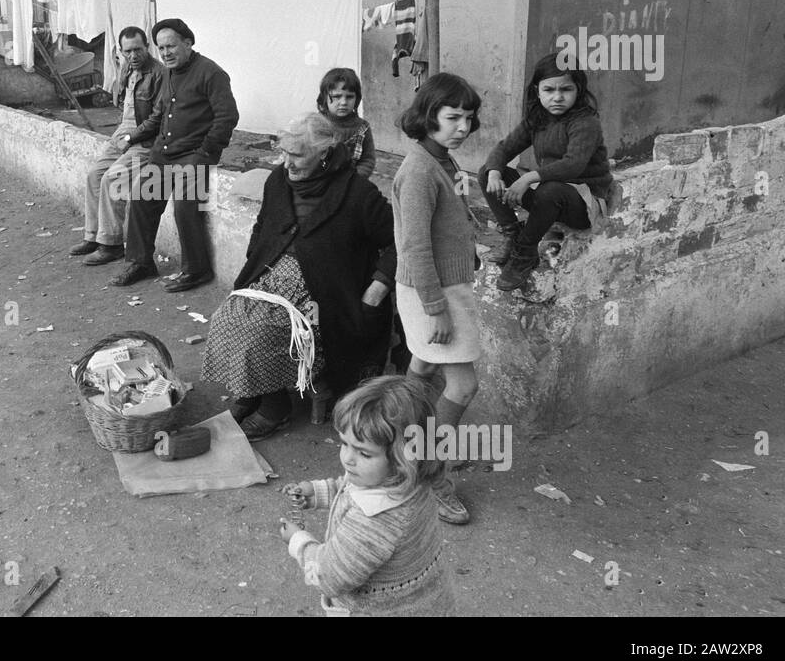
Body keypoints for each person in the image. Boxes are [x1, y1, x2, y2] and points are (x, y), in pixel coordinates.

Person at [201, 113, 397, 440]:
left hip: (325, 290)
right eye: (285, 153)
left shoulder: (358, 193)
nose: (286, 163)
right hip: (272, 276)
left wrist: (376, 289)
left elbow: (397, 241)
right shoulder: (279, 180)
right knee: (228, 316)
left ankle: (275, 408)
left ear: (324, 153)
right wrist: (255, 268)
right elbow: (263, 226)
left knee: (261, 330)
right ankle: (254, 391)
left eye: (297, 155)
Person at [278, 376, 455, 617]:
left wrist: (298, 542)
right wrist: (318, 493)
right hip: (424, 599)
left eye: (364, 453)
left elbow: (328, 576)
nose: (348, 458)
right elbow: (353, 490)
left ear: (404, 457)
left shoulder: (375, 521)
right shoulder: (409, 481)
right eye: (344, 443)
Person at [391, 73, 483, 524]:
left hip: (442, 286)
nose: (462, 126)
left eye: (468, 118)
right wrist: (435, 309)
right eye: (452, 118)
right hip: (433, 292)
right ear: (427, 118)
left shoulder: (441, 161)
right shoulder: (419, 171)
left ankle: (402, 446)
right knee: (463, 386)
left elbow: (447, 224)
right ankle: (432, 473)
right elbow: (414, 247)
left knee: (424, 368)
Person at [108, 18, 239, 293]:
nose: (166, 53)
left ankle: (197, 270)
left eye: (171, 46)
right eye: (161, 48)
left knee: (185, 207)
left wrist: (205, 153)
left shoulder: (211, 73)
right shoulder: (167, 73)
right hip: (165, 154)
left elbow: (227, 117)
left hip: (194, 156)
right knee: (141, 198)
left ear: (188, 43)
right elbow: (159, 114)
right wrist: (134, 137)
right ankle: (140, 263)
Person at [479, 52, 612, 291]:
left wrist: (528, 178)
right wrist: (494, 173)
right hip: (547, 201)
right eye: (549, 90)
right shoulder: (537, 119)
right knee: (486, 172)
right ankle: (512, 234)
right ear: (537, 91)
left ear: (578, 90)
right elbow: (504, 148)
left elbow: (573, 164)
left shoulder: (585, 122)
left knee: (550, 189)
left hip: (582, 205)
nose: (557, 97)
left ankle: (525, 252)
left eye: (566, 90)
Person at [68, 27, 165, 265]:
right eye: (128, 51)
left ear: (147, 48)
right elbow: (125, 106)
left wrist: (131, 138)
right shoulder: (127, 69)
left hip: (146, 139)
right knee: (94, 175)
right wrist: (122, 135)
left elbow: (157, 118)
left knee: (113, 179)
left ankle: (111, 245)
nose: (133, 55)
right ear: (121, 52)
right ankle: (93, 235)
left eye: (138, 50)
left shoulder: (160, 74)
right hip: (124, 131)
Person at [316, 67, 377, 178]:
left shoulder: (363, 129)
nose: (343, 102)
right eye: (337, 97)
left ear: (357, 99)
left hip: (351, 183)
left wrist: (351, 180)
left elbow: (367, 160)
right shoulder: (315, 124)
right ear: (325, 98)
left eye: (349, 97)